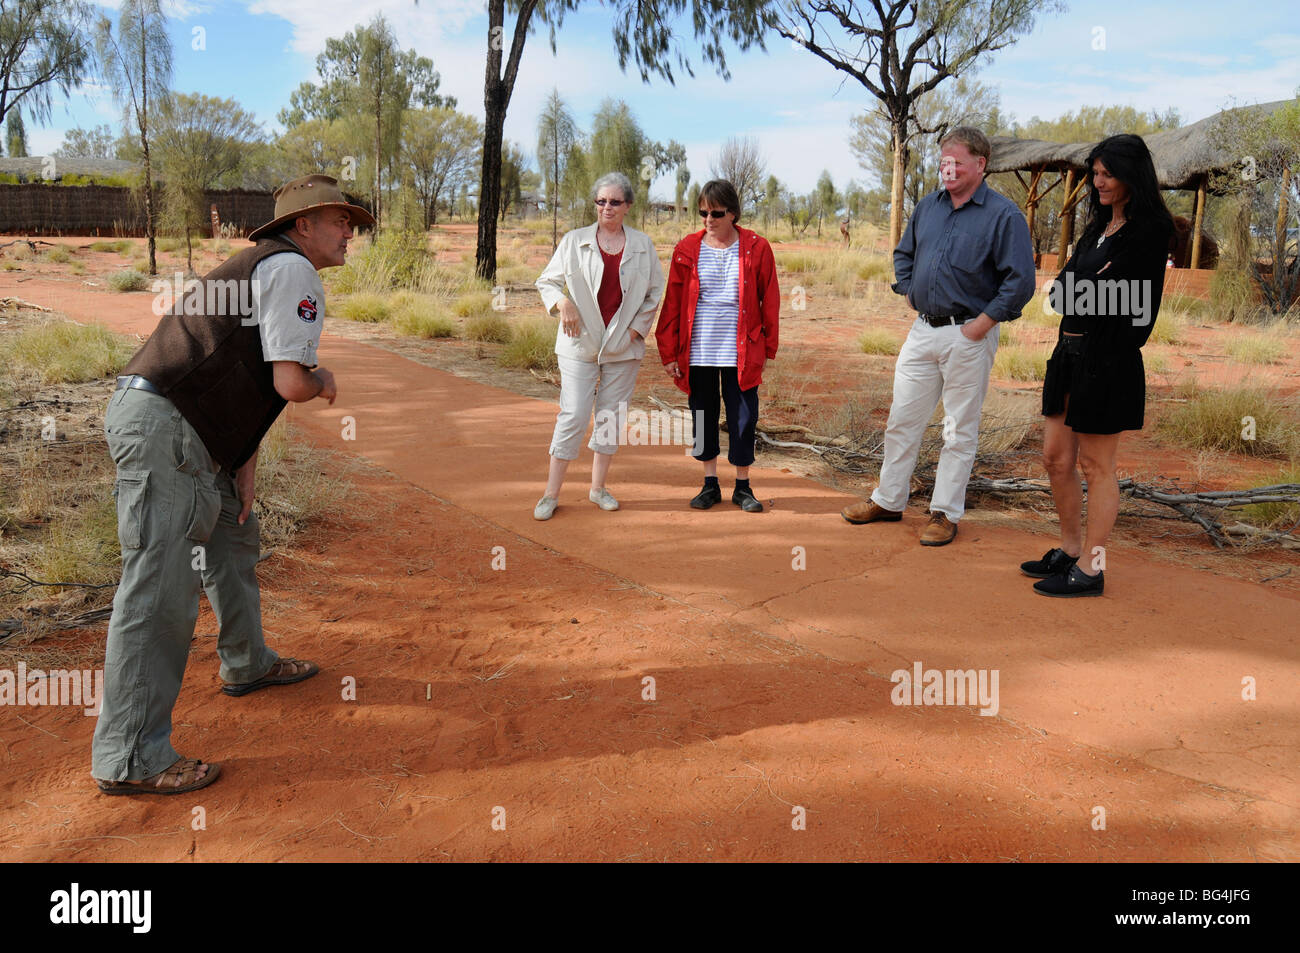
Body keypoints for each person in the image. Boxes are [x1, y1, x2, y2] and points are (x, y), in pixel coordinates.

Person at [92, 174, 373, 795]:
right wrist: (322, 377)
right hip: (171, 434)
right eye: (338, 220)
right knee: (161, 588)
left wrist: (241, 457)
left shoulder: (265, 266)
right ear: (302, 225)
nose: (349, 230)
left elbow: (236, 369)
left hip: (194, 436)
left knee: (232, 539)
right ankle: (131, 756)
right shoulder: (293, 270)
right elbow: (290, 382)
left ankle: (247, 662)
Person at [841, 126, 1036, 545]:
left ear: (980, 165)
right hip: (923, 330)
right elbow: (903, 253)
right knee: (902, 420)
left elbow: (1020, 281)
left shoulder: (1004, 216)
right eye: (943, 162)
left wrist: (982, 325)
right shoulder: (928, 207)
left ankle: (944, 513)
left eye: (957, 163)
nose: (948, 170)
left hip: (967, 335)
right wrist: (909, 291)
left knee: (957, 429)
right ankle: (889, 500)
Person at [1022, 134, 1174, 597]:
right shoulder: (1097, 227)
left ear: (1132, 176)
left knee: (1096, 465)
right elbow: (1060, 293)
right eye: (1096, 173)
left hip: (1107, 360)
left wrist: (1084, 290)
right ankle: (1069, 549)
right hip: (1067, 354)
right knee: (1055, 457)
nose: (1098, 182)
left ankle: (1091, 568)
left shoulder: (1150, 230)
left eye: (1108, 174)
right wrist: (1092, 286)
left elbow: (1136, 310)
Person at [533, 172, 664, 519]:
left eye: (615, 202)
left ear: (628, 206)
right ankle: (550, 494)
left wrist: (637, 330)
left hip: (623, 346)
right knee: (574, 414)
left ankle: (598, 489)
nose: (607, 207)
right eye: (601, 201)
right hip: (579, 344)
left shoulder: (642, 245)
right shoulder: (574, 241)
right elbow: (546, 280)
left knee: (609, 417)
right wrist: (563, 304)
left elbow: (654, 291)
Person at [656, 179, 779, 512]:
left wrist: (768, 348)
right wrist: (668, 352)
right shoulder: (687, 248)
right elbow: (672, 303)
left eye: (716, 212)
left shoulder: (757, 247)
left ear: (733, 213)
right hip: (697, 350)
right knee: (702, 414)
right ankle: (709, 485)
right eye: (703, 213)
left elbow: (770, 299)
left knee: (743, 417)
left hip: (741, 348)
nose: (709, 219)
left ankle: (743, 486)